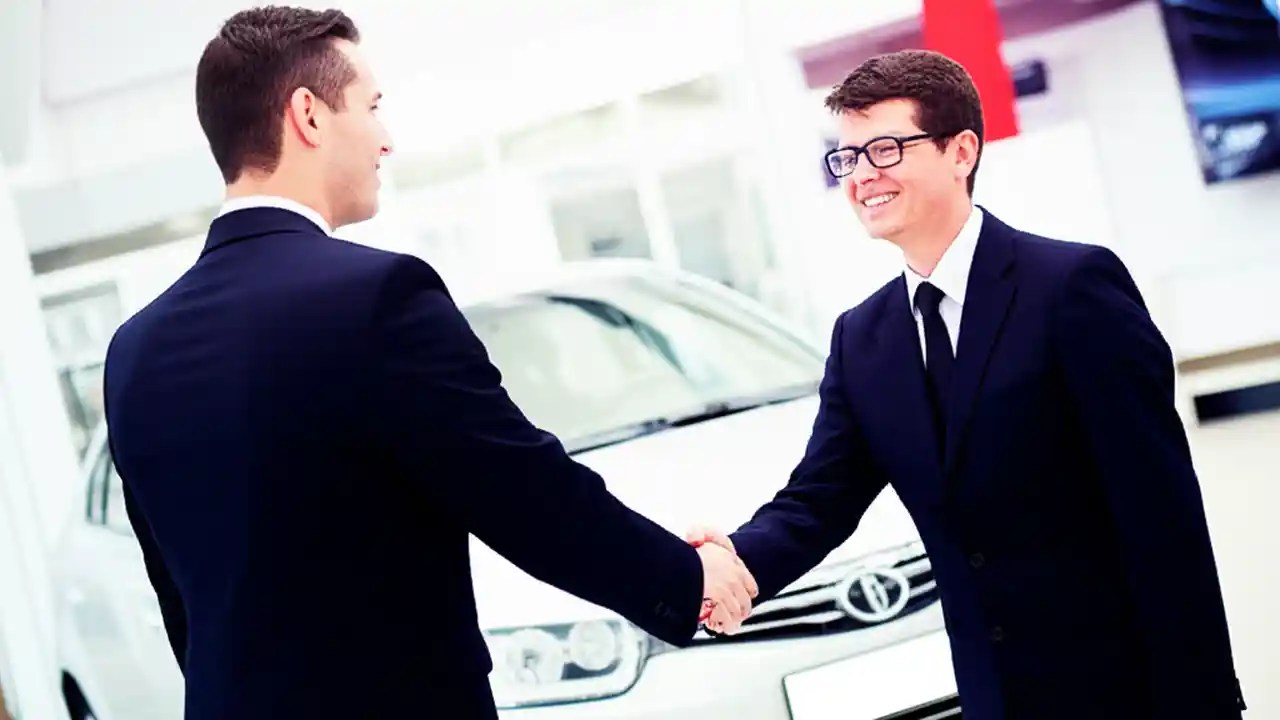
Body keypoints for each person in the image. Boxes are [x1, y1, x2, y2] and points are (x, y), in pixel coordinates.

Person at [102, 7, 756, 720]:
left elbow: (185, 606)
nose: (386, 139)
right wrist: (686, 577)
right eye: (373, 107)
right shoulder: (372, 296)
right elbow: (523, 490)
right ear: (308, 116)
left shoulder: (133, 353)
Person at [688, 50, 1245, 719]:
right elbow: (819, 500)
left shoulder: (1072, 290)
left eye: (885, 149)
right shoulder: (863, 339)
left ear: (961, 151)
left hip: (1126, 693)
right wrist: (728, 567)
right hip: (996, 701)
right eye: (846, 159)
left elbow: (1164, 520)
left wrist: (1204, 700)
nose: (863, 177)